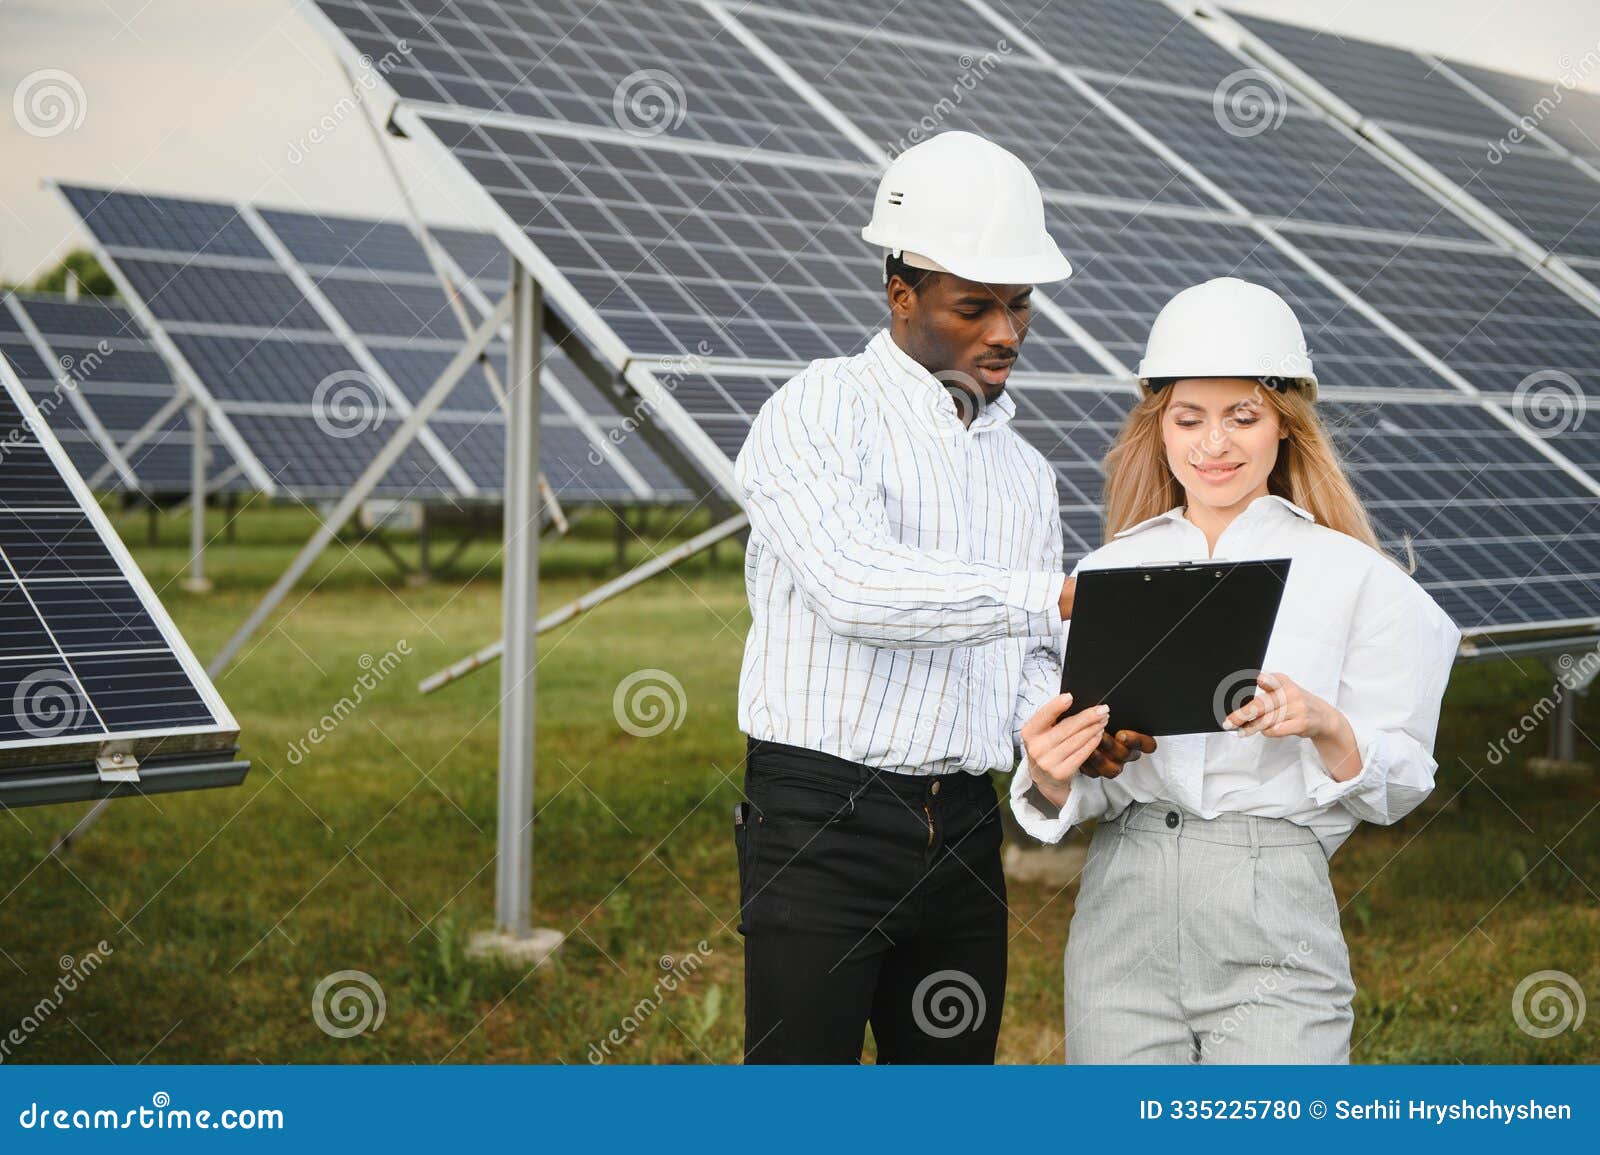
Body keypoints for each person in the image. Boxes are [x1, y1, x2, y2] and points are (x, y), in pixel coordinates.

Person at [732, 130, 1145, 1064]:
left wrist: (1060, 730)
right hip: (819, 825)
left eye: (1019, 305)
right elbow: (853, 584)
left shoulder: (1026, 472)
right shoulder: (817, 410)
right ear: (901, 295)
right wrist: (1052, 597)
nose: (1005, 332)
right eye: (975, 307)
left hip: (962, 830)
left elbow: (1020, 660)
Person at [1011, 276, 1462, 1064]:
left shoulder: (1353, 575)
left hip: (1273, 902)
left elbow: (1403, 780)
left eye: (1242, 417)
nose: (1213, 444)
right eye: (1189, 418)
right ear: (1159, 426)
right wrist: (1050, 772)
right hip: (1124, 903)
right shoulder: (1108, 572)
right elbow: (1086, 784)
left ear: (1284, 426)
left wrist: (1325, 722)